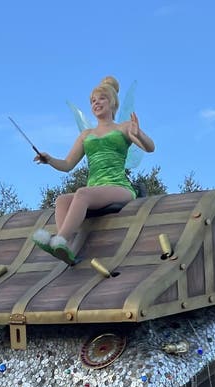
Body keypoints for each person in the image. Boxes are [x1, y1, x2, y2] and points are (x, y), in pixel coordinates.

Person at [31, 75, 155, 265]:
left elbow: (150, 147)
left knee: (82, 194)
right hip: (94, 190)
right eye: (93, 101)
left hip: (118, 187)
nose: (96, 103)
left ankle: (60, 239)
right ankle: (67, 248)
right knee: (62, 200)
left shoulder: (124, 127)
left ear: (112, 102)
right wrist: (49, 160)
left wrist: (139, 134)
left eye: (101, 99)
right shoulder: (85, 135)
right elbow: (67, 165)